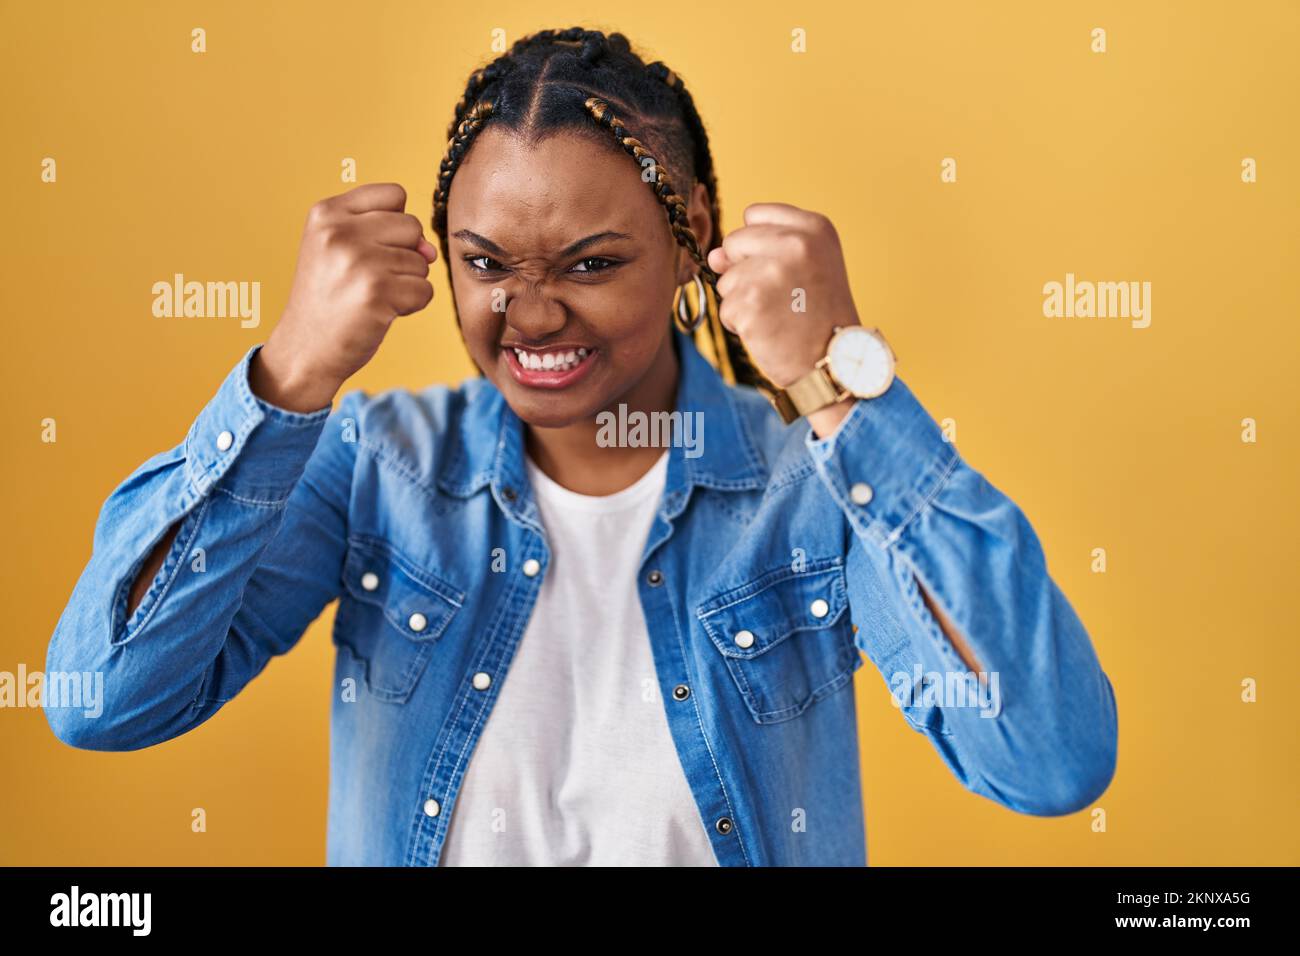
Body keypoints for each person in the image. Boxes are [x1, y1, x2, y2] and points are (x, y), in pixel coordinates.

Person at [44, 27, 1117, 866]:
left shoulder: (806, 484)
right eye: (486, 262)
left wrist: (840, 387)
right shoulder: (381, 465)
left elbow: (1045, 754)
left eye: (591, 263)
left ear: (692, 230)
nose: (531, 313)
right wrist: (287, 379)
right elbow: (102, 700)